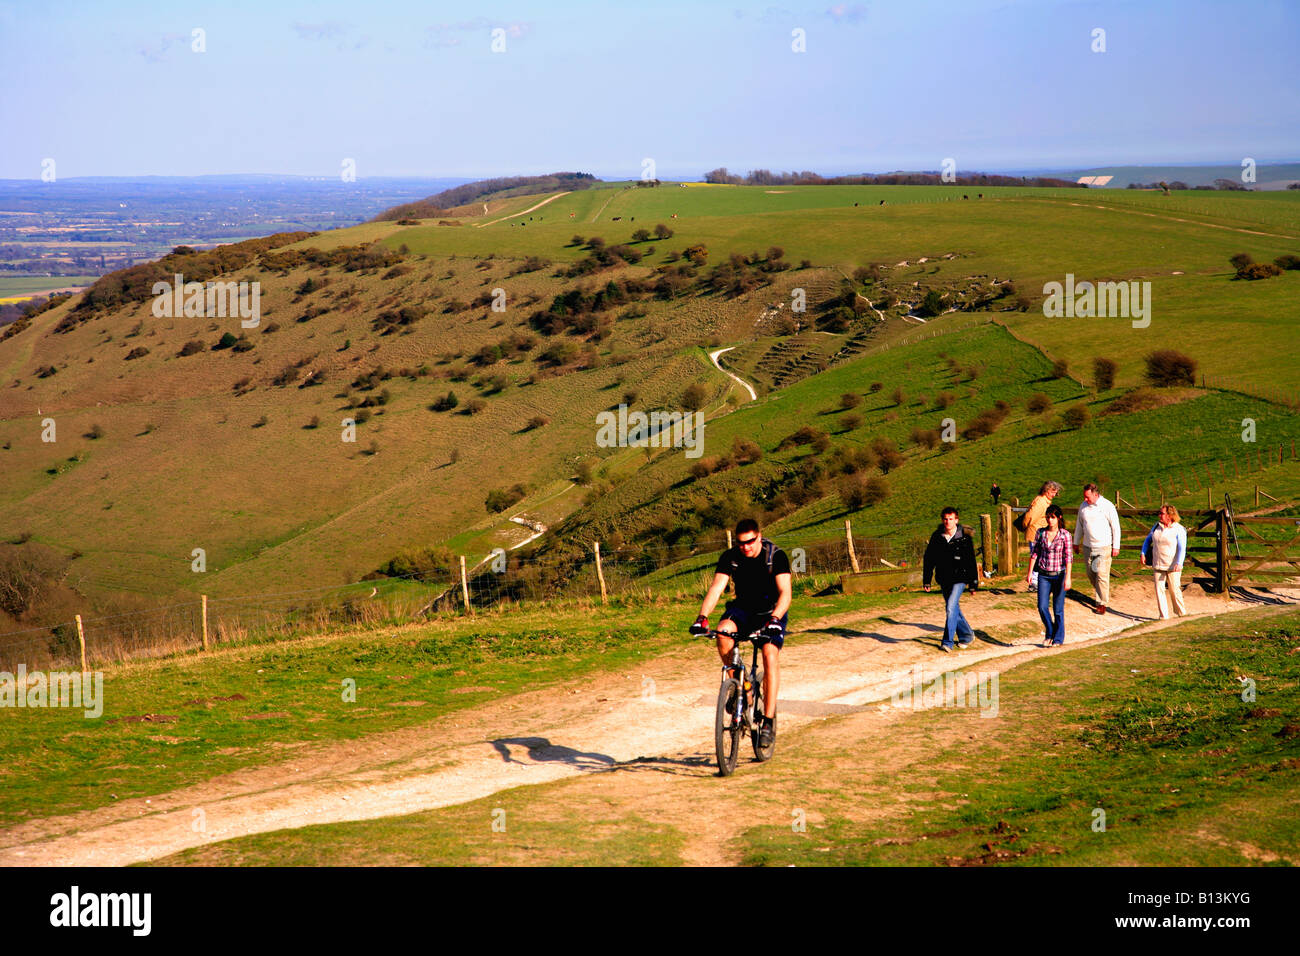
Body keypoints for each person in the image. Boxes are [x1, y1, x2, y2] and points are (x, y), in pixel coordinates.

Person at [690, 518, 792, 749]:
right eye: (741, 543)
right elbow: (717, 587)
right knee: (723, 632)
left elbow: (785, 592)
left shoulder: (776, 556)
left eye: (750, 541)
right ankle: (741, 686)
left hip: (770, 612)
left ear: (759, 536)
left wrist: (775, 619)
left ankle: (767, 721)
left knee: (769, 654)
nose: (745, 547)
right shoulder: (731, 557)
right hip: (743, 610)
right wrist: (702, 617)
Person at [922, 506, 979, 652]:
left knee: (950, 608)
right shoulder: (937, 537)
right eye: (945, 519)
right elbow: (929, 559)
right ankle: (967, 635)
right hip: (944, 578)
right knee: (953, 609)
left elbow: (971, 561)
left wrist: (973, 584)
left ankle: (947, 642)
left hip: (960, 578)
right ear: (942, 520)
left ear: (956, 520)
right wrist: (927, 580)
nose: (948, 522)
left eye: (951, 519)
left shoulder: (964, 538)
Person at [1025, 504, 1072, 645]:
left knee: (1058, 609)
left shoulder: (1065, 535)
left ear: (1059, 518)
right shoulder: (1040, 533)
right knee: (1042, 606)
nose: (1050, 520)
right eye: (1048, 517)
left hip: (1059, 575)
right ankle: (1050, 631)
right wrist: (1030, 572)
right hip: (1044, 575)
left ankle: (1058, 638)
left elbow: (1068, 557)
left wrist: (1068, 577)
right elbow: (1035, 553)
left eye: (1052, 517)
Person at [1073, 483, 1121, 614]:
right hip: (1088, 546)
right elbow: (1079, 525)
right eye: (1084, 496)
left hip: (1103, 546)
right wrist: (1076, 542)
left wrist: (1116, 546)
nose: (1085, 499)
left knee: (1101, 575)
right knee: (1091, 574)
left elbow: (1115, 526)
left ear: (1096, 494)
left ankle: (1101, 603)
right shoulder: (1083, 507)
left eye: (1087, 497)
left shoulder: (1107, 506)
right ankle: (1101, 592)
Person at [1140, 505, 1187, 619]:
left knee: (1174, 590)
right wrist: (1143, 552)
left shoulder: (1178, 529)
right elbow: (1148, 539)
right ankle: (1163, 616)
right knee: (1159, 590)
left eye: (1162, 513)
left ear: (1170, 515)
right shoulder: (1156, 526)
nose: (1159, 515)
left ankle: (1181, 614)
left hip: (1172, 565)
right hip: (1158, 563)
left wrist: (1179, 563)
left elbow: (1182, 547)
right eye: (1159, 513)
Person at [1020, 480, 1062, 592]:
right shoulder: (1040, 502)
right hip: (1035, 533)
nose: (1054, 495)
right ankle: (1033, 583)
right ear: (1047, 490)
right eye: (1053, 492)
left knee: (1039, 557)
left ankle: (1037, 582)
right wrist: (1024, 526)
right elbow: (1030, 517)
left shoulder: (1044, 501)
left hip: (1039, 532)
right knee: (1037, 557)